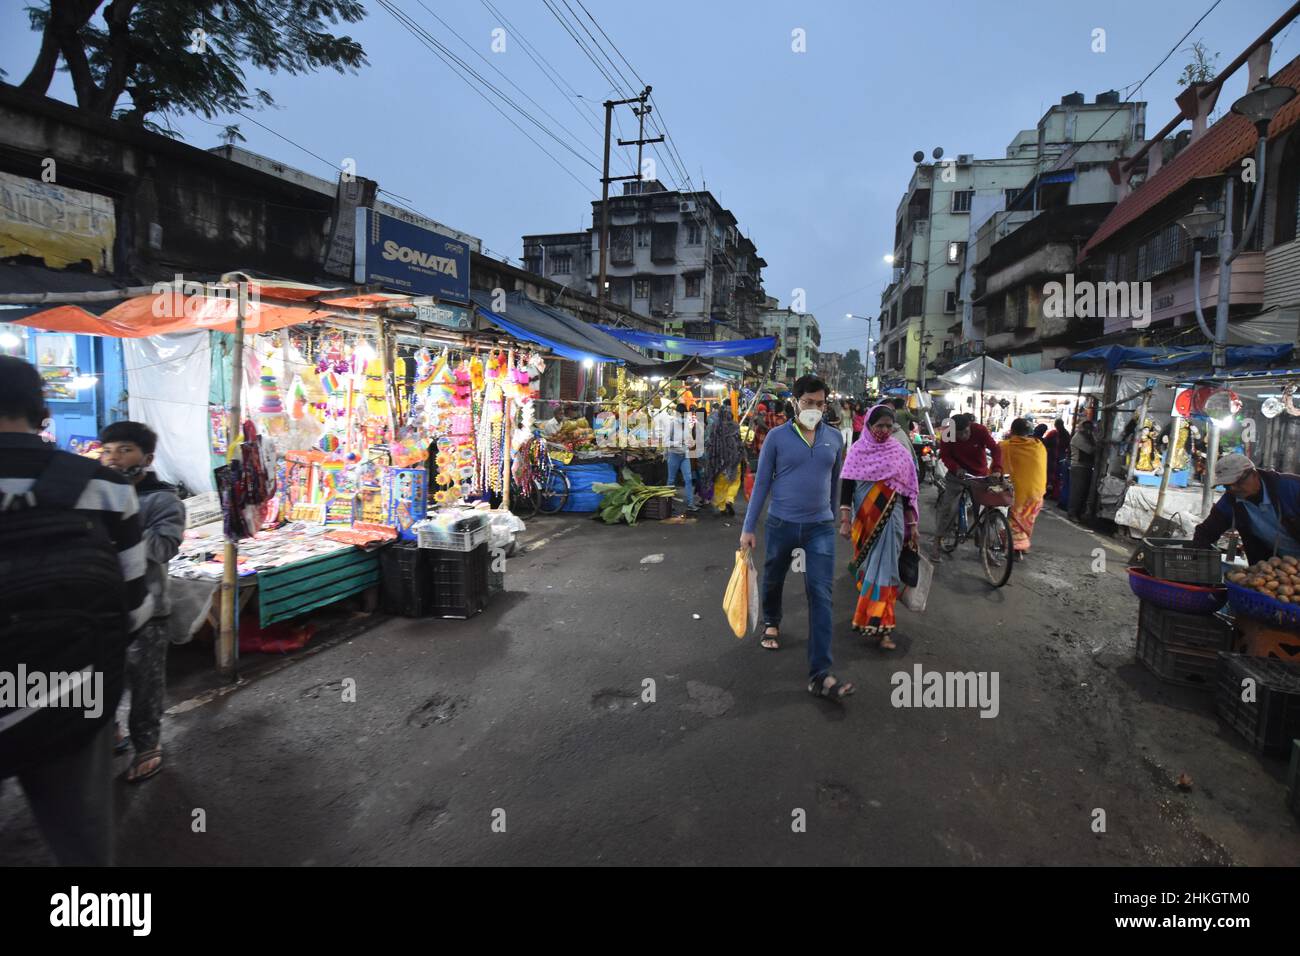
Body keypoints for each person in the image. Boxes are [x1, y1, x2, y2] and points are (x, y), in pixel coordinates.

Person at [0, 356, 153, 865]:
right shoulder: (105, 486)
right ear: (42, 408)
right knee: (83, 841)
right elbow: (132, 607)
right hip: (74, 686)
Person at [739, 375, 852, 701]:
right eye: (808, 403)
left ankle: (820, 674)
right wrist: (748, 528)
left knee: (821, 594)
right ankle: (771, 620)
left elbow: (835, 482)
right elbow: (761, 484)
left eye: (819, 404)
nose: (814, 409)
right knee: (773, 577)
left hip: (820, 528)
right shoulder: (776, 437)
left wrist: (833, 517)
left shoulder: (834, 438)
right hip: (781, 523)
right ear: (795, 402)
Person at [99, 421, 186, 783]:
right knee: (102, 678)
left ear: (147, 458)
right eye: (107, 450)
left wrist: (122, 518)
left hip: (149, 609)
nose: (114, 458)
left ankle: (147, 745)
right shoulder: (94, 495)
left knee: (146, 683)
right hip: (101, 608)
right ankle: (110, 734)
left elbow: (164, 547)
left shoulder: (161, 500)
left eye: (125, 450)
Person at [840, 404, 920, 650]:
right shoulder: (856, 451)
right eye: (879, 425)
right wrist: (844, 520)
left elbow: (907, 491)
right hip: (864, 521)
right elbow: (847, 489)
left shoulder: (899, 453)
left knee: (886, 569)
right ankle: (873, 616)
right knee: (868, 567)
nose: (884, 430)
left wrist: (913, 524)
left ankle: (881, 623)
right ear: (868, 426)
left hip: (892, 520)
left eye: (888, 426)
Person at [1192, 453, 1300, 563]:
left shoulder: (1291, 487)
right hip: (1274, 566)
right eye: (1227, 485)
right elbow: (1205, 532)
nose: (1233, 488)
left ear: (1254, 474)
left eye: (1238, 482)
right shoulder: (1230, 501)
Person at [931, 413, 1003, 560]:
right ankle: (937, 542)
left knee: (984, 511)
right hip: (956, 475)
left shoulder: (980, 430)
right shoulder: (947, 433)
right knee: (948, 509)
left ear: (970, 426)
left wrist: (996, 470)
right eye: (960, 434)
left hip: (978, 475)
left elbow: (996, 450)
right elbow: (945, 456)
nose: (964, 436)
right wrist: (956, 468)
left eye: (966, 432)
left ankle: (984, 545)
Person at [999, 418, 1047, 560]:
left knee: (1014, 519)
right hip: (1037, 493)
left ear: (1012, 431)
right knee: (1026, 520)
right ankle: (1022, 545)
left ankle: (1016, 548)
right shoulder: (1039, 446)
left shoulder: (1005, 446)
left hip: (1018, 493)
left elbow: (999, 468)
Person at [704, 405, 745, 516]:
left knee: (720, 484)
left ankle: (722, 506)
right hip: (734, 459)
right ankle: (729, 499)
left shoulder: (715, 426)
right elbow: (739, 442)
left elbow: (710, 443)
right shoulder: (735, 426)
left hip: (720, 460)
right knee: (734, 480)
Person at [665, 402, 699, 512]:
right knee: (671, 480)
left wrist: (691, 442)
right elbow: (665, 442)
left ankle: (690, 503)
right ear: (677, 414)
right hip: (673, 455)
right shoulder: (671, 423)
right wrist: (677, 443)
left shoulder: (688, 423)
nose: (683, 417)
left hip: (685, 455)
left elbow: (689, 438)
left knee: (688, 479)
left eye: (685, 415)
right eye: (681, 415)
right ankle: (668, 504)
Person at [1068, 419, 1097, 522]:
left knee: (1084, 492)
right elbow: (1090, 450)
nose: (1089, 430)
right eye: (1087, 427)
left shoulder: (1088, 437)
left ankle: (1079, 513)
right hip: (1078, 467)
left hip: (1086, 467)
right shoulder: (1078, 438)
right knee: (1077, 492)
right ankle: (1072, 514)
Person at [1043, 418, 1070, 502]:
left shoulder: (1054, 433)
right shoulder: (1064, 433)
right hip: (1059, 456)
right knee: (1056, 476)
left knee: (1052, 475)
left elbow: (1046, 442)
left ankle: (1051, 493)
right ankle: (1053, 493)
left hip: (1054, 457)